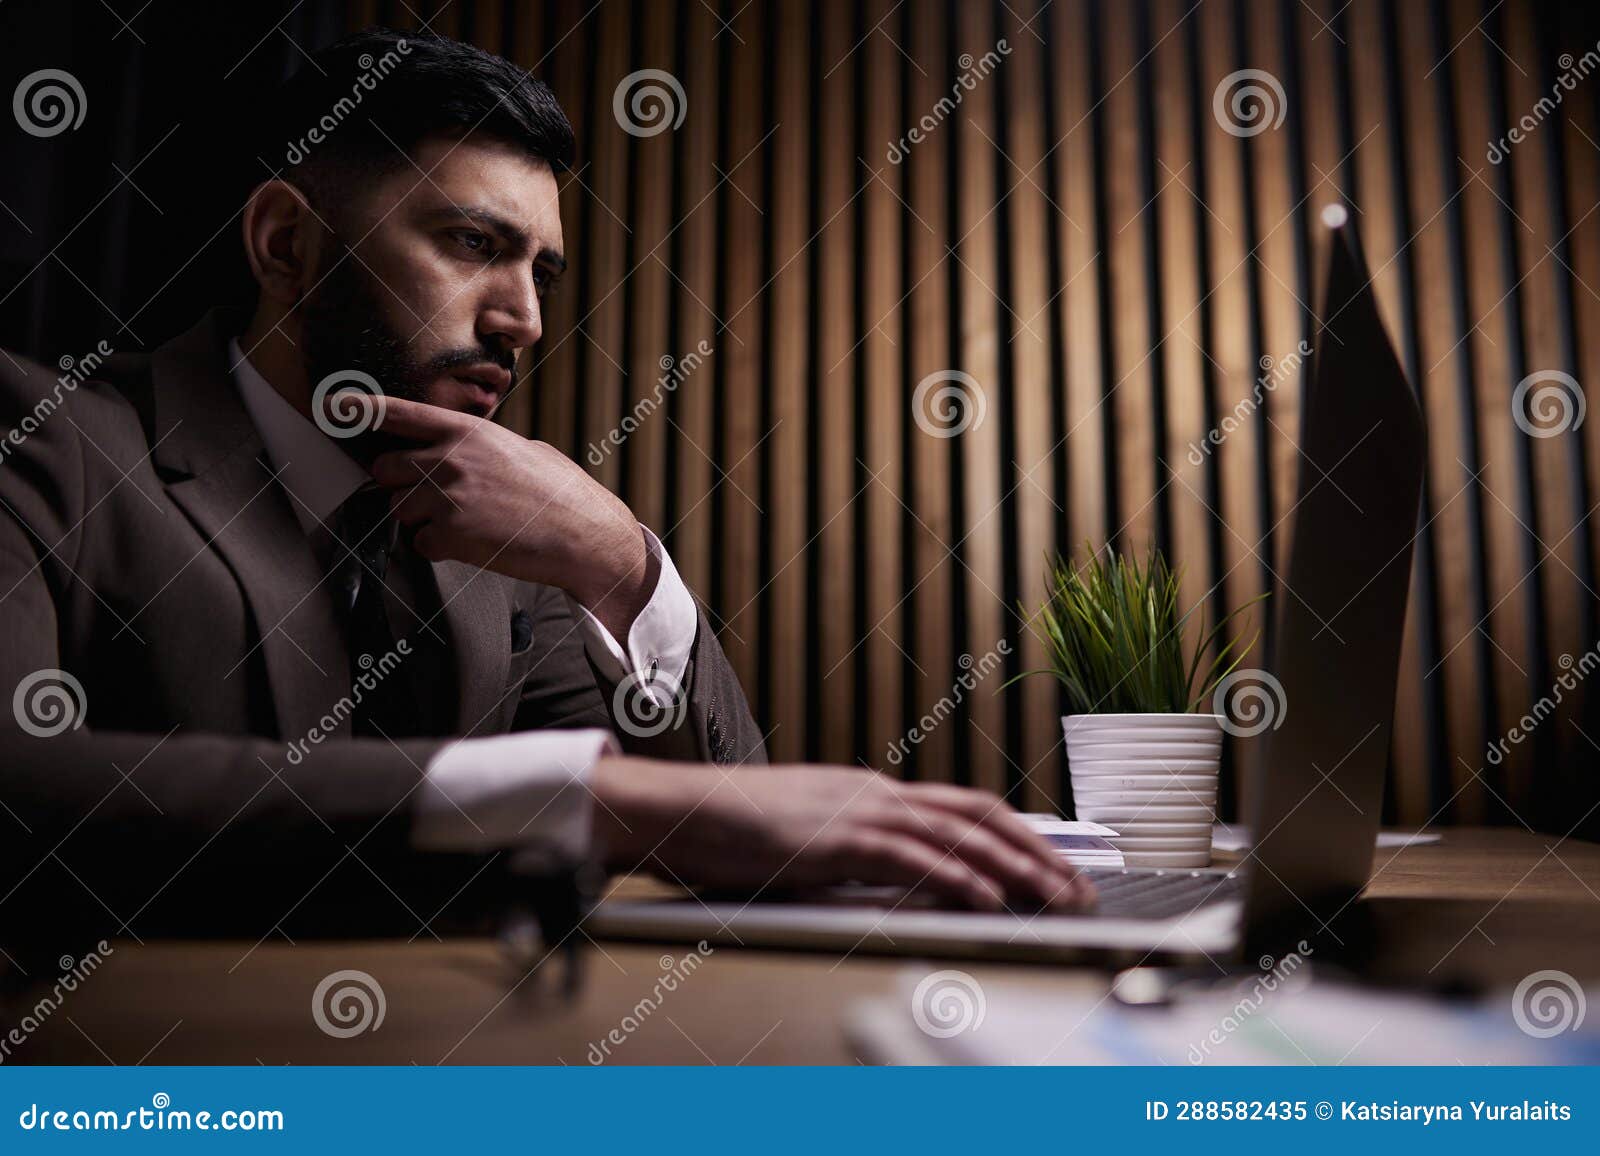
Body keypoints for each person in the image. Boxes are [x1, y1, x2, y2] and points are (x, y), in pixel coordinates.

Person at [0, 28, 1089, 961]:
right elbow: (26, 792)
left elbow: (720, 828)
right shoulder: (47, 443)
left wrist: (620, 564)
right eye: (473, 244)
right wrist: (586, 797)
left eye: (541, 271)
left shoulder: (504, 532)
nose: (522, 317)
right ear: (286, 244)